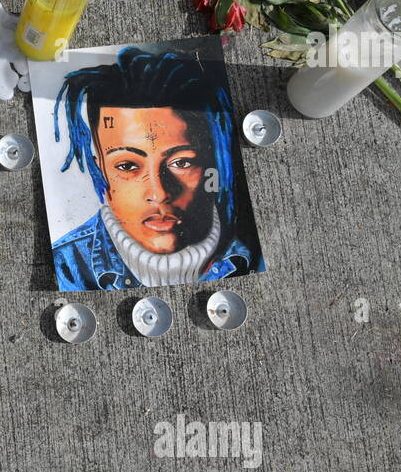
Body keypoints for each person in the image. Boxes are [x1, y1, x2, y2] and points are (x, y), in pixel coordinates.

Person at [50, 46, 263, 290]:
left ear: (211, 163)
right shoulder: (66, 269)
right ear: (101, 171)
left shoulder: (252, 255)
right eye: (128, 165)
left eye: (182, 162)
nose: (159, 193)